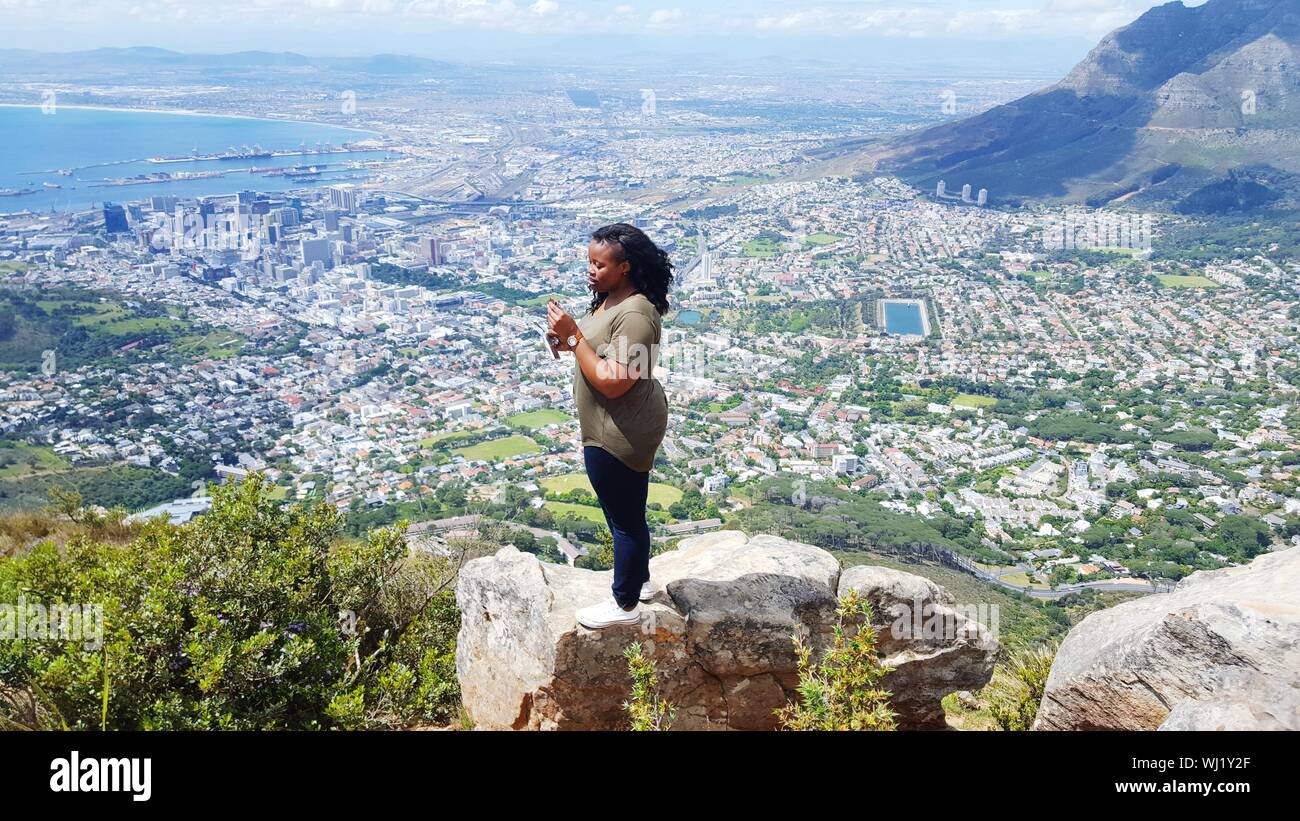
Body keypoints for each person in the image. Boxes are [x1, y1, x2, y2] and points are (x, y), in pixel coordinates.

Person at [546, 222, 672, 629]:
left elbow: (615, 382)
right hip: (610, 423)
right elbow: (593, 352)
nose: (592, 270)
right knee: (627, 511)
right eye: (590, 262)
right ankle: (641, 581)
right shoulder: (609, 300)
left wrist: (573, 337)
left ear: (626, 268)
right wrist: (566, 341)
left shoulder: (636, 314)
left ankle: (625, 605)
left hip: (619, 429)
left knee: (624, 520)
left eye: (600, 265)